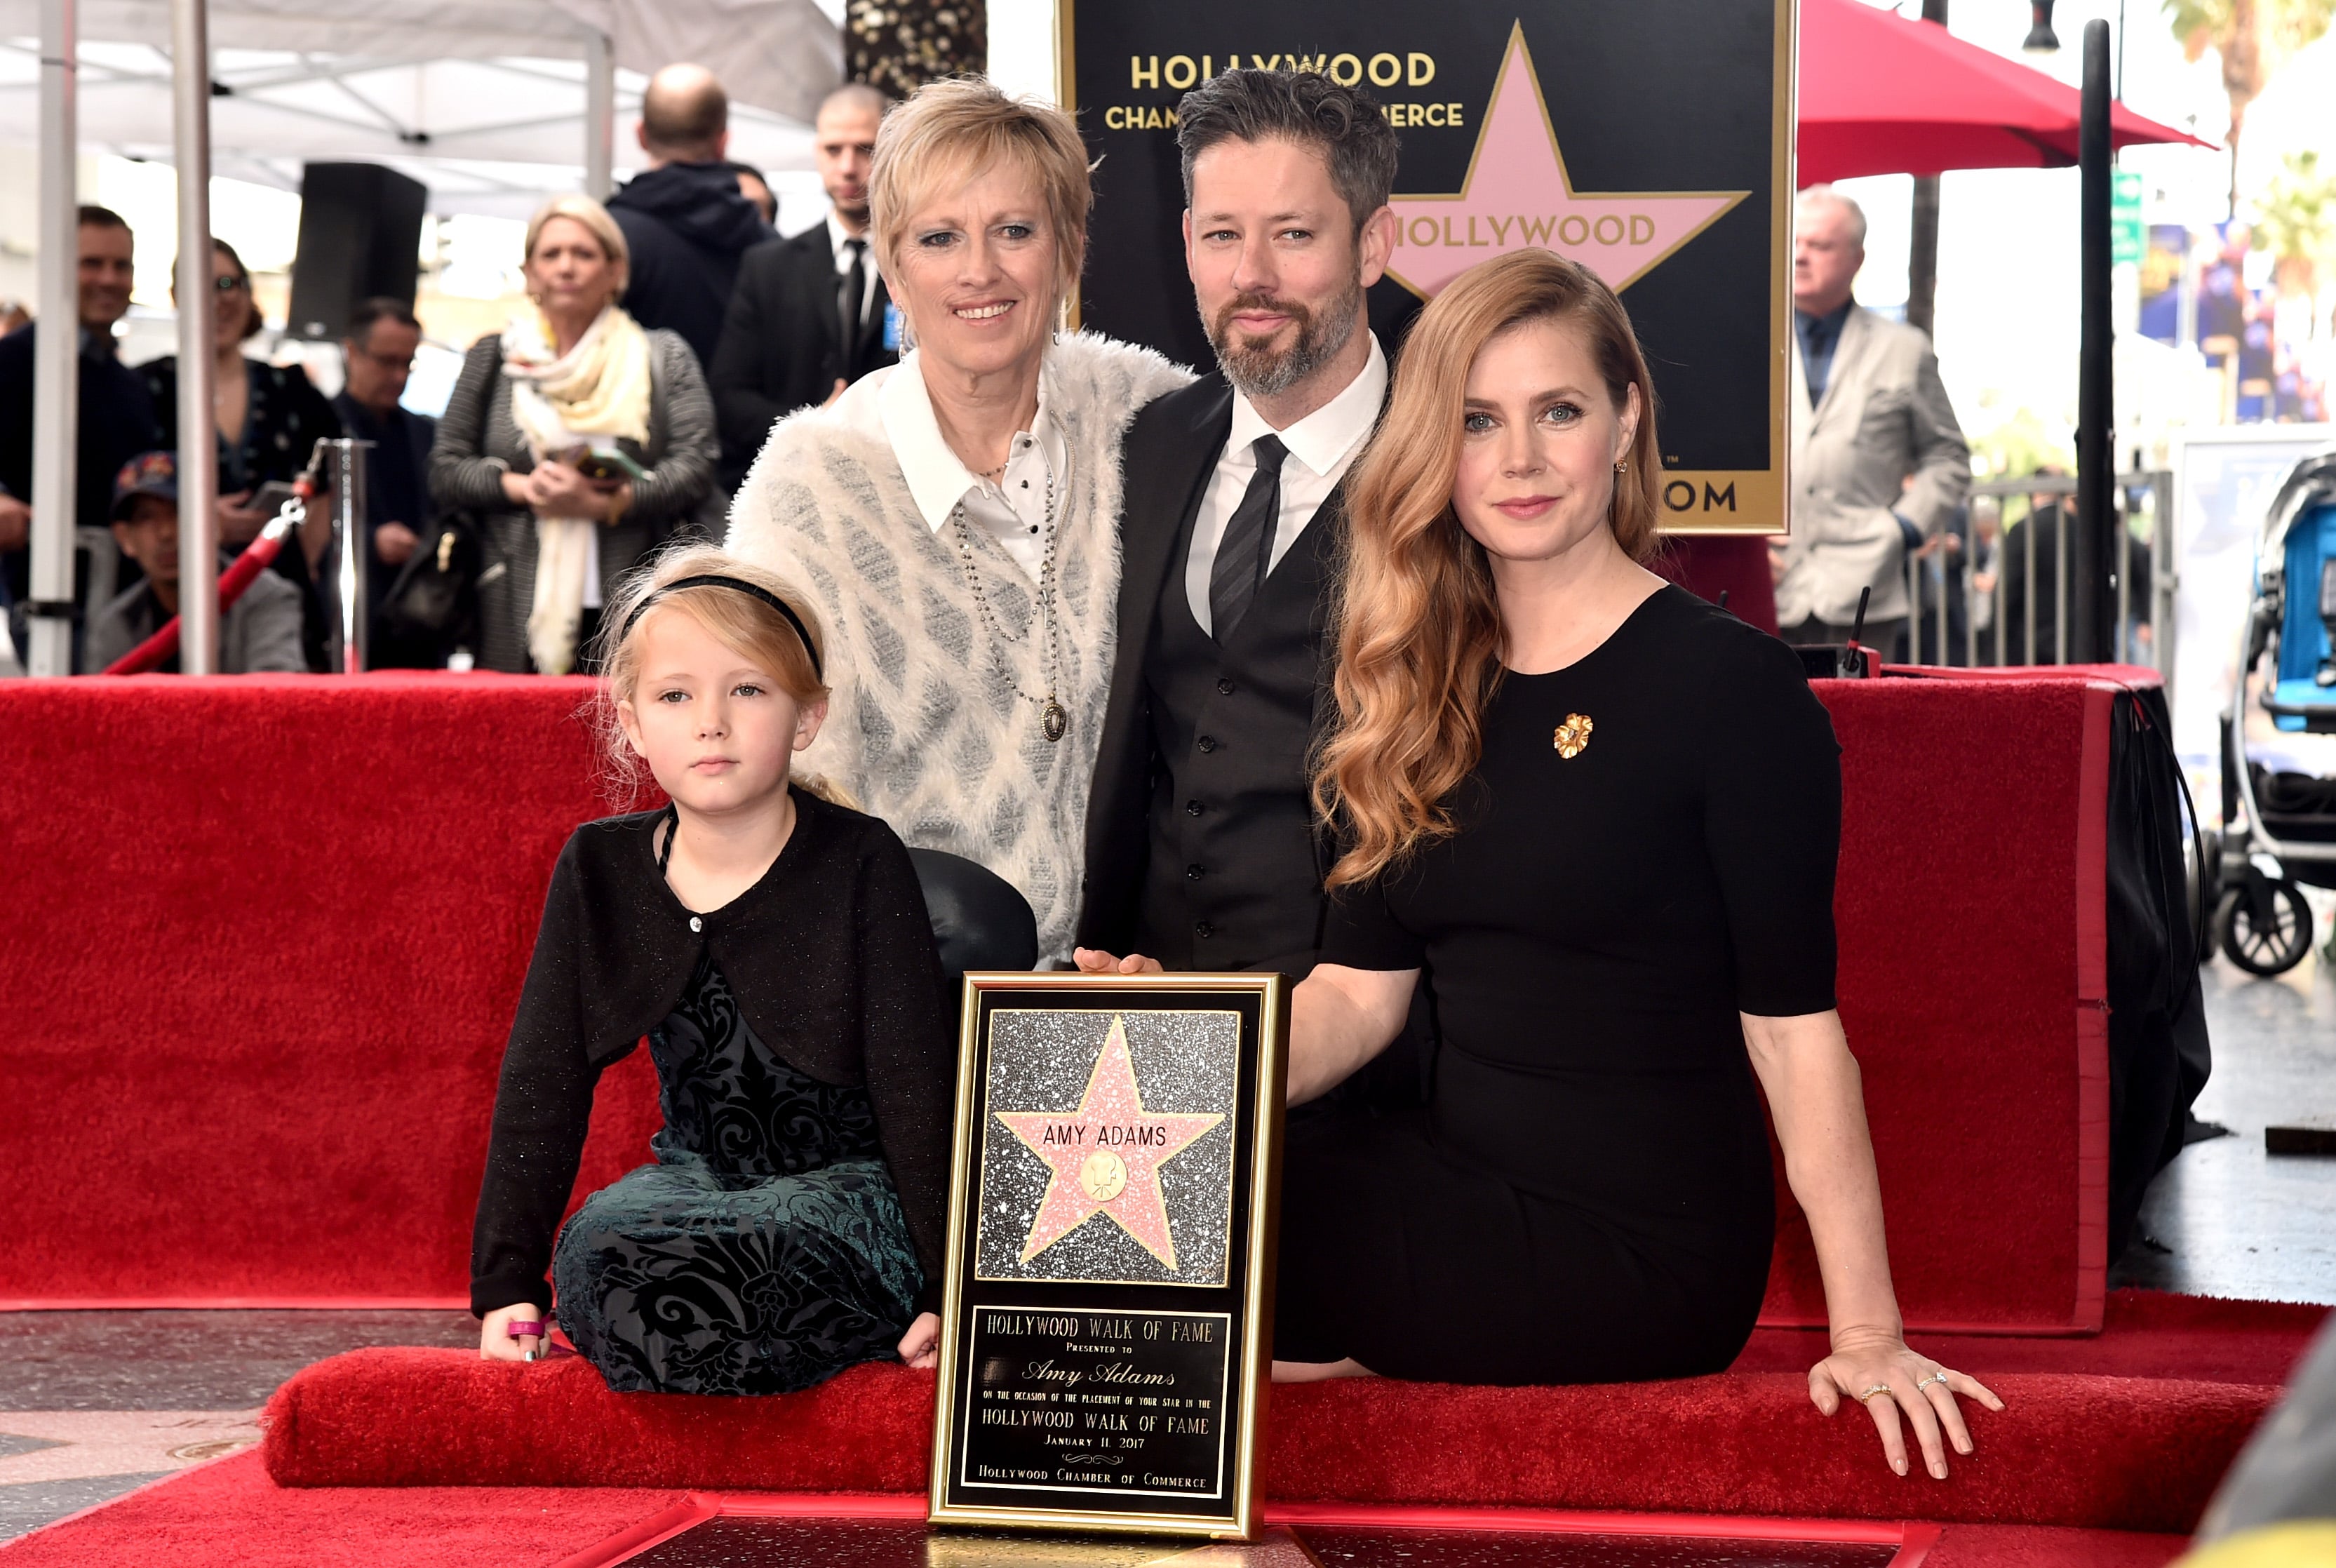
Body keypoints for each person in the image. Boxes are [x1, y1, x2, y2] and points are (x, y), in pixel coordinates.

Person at [1142, 250, 2000, 1483]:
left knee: (1216, 1221)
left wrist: (1869, 1335)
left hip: (1637, 1249)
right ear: (1437, 450)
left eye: (1560, 413)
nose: (1522, 460)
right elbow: (1354, 1004)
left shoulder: (1732, 690)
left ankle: (1051, 1339)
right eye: (1479, 423)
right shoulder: (1416, 689)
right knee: (1188, 1171)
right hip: (1451, 1183)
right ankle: (1058, 1326)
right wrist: (1170, 1061)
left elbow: (1796, 1036)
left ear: (1627, 421)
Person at [725, 78, 1189, 963]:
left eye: (1016, 230)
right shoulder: (811, 485)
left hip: (1138, 969)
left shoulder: (1148, 420)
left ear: (1071, 248)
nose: (981, 271)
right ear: (895, 268)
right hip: (901, 986)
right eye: (940, 238)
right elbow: (781, 787)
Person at [470, 545, 952, 1394]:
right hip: (696, 1188)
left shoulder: (860, 860)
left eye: (749, 690)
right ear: (629, 722)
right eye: (676, 695)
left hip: (845, 1198)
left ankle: (784, 1339)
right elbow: (542, 1080)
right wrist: (508, 1287)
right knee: (602, 1250)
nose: (711, 722)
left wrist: (955, 1291)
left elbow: (917, 1088)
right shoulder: (600, 867)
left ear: (807, 717)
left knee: (774, 1257)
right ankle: (747, 1355)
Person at [1074, 71, 1399, 991]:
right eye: (1222, 235)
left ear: (1372, 243)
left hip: (1391, 1042)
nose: (1251, 274)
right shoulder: (1153, 446)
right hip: (1160, 1009)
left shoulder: (1450, 458)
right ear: (1187, 245)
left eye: (1293, 234)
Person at [429, 195, 719, 676]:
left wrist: (609, 503)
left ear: (614, 270)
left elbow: (695, 466)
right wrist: (524, 488)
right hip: (510, 600)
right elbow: (446, 468)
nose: (566, 267)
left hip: (638, 593)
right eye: (551, 254)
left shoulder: (663, 356)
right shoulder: (494, 358)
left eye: (583, 254)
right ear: (529, 272)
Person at [1772, 185, 1969, 660]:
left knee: (1854, 732)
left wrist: (1902, 528)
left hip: (1863, 588)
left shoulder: (1904, 349)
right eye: (1794, 242)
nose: (1800, 257)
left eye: (1819, 245)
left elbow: (1949, 457)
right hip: (1767, 586)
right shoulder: (1747, 342)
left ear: (1857, 258)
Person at [140, 237, 343, 671]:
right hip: (179, 597)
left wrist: (295, 551)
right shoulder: (146, 388)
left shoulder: (289, 389)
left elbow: (331, 478)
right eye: (200, 286)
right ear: (178, 299)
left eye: (228, 283)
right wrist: (194, 519)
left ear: (249, 293)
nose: (218, 299)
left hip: (280, 591)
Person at [711, 83, 899, 495]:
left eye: (864, 149)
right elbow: (728, 397)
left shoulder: (919, 262)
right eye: (833, 150)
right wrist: (815, 423)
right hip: (791, 489)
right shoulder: (768, 268)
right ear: (817, 152)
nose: (848, 167)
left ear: (891, 150)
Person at [0, 205, 161, 651]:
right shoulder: (14, 362)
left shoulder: (126, 381)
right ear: (56, 269)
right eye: (92, 263)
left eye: (121, 265)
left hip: (125, 603)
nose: (109, 279)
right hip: (50, 606)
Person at [605, 64, 775, 376]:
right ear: (723, 141)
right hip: (749, 424)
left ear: (641, 135)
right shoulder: (772, 248)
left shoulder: (607, 239)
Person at [84, 450, 304, 674]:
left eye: (178, 511)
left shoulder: (265, 597)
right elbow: (100, 705)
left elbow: (276, 695)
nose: (166, 532)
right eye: (146, 518)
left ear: (212, 521)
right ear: (125, 538)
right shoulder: (116, 624)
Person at [330, 297, 441, 666]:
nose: (398, 376)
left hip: (420, 624)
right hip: (346, 616)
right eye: (386, 362)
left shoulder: (425, 432)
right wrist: (370, 539)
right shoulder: (322, 424)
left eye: (407, 363)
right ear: (352, 352)